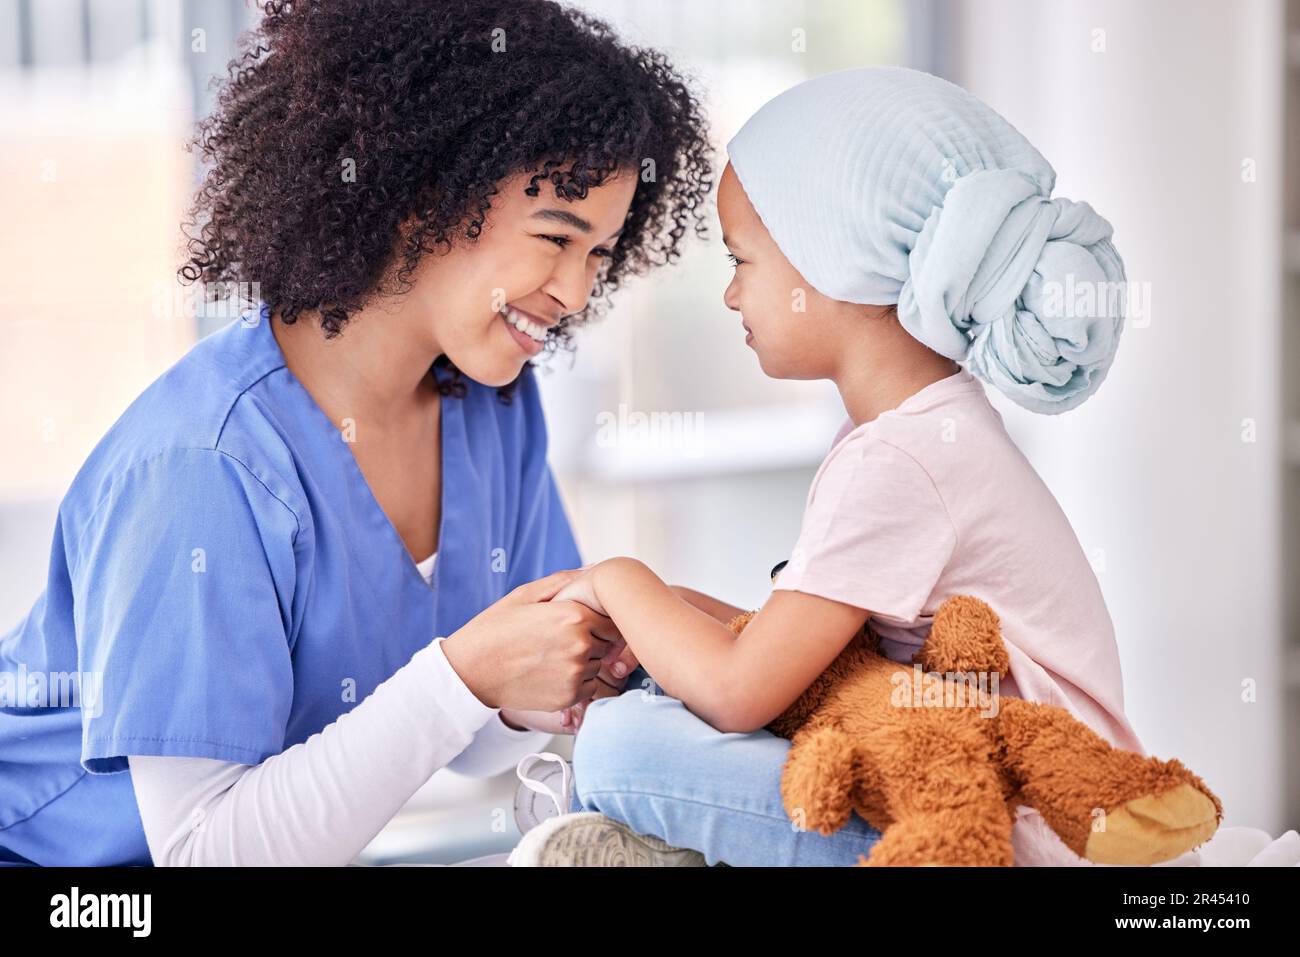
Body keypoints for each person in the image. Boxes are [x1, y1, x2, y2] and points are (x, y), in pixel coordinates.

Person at [0, 0, 711, 866]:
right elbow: (205, 850)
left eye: (599, 253)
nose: (575, 293)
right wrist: (466, 672)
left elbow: (470, 736)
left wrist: (545, 682)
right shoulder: (205, 464)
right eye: (556, 237)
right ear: (423, 196)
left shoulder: (493, 407)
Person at [515, 66, 1142, 868]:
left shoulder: (900, 460)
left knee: (623, 748)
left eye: (741, 259)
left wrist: (615, 578)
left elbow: (744, 690)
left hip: (1004, 830)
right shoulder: (924, 429)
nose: (731, 295)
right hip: (984, 787)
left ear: (838, 260)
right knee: (654, 695)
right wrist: (655, 615)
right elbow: (801, 652)